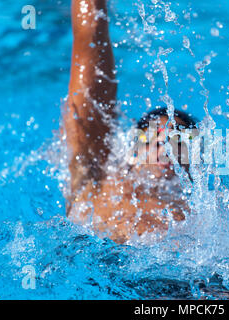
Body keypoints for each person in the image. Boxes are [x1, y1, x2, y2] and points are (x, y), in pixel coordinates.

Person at [64, 0, 196, 244]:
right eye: (152, 138)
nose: (164, 147)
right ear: (132, 149)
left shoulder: (205, 212)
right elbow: (88, 47)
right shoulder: (95, 181)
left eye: (179, 140)